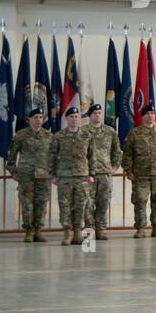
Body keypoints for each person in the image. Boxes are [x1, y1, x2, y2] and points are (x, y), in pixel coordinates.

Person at [122, 104, 156, 238]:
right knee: (140, 201)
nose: (150, 116)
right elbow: (127, 154)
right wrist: (128, 171)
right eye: (147, 114)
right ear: (142, 116)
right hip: (140, 175)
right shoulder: (135, 133)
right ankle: (140, 228)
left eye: (152, 113)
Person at [50, 105, 95, 246]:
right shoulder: (59, 136)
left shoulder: (87, 136)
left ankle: (77, 234)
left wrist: (91, 174)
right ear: (67, 119)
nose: (74, 119)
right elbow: (52, 156)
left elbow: (91, 156)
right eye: (71, 117)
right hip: (65, 176)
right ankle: (67, 234)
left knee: (81, 206)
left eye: (76, 117)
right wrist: (53, 175)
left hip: (82, 176)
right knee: (65, 205)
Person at [9, 107, 54, 242]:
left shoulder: (49, 136)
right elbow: (12, 155)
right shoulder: (20, 135)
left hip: (43, 176)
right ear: (29, 119)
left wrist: (53, 172)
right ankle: (29, 231)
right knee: (27, 204)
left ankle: (38, 231)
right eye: (35, 118)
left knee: (41, 204)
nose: (38, 120)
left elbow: (54, 155)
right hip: (26, 175)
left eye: (40, 117)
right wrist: (13, 172)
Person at [83, 102, 122, 240]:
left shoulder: (110, 131)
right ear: (89, 116)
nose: (97, 115)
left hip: (105, 173)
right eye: (94, 113)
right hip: (88, 174)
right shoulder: (82, 132)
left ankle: (101, 229)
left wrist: (114, 167)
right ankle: (89, 229)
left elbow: (117, 151)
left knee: (103, 202)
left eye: (99, 113)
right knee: (87, 203)